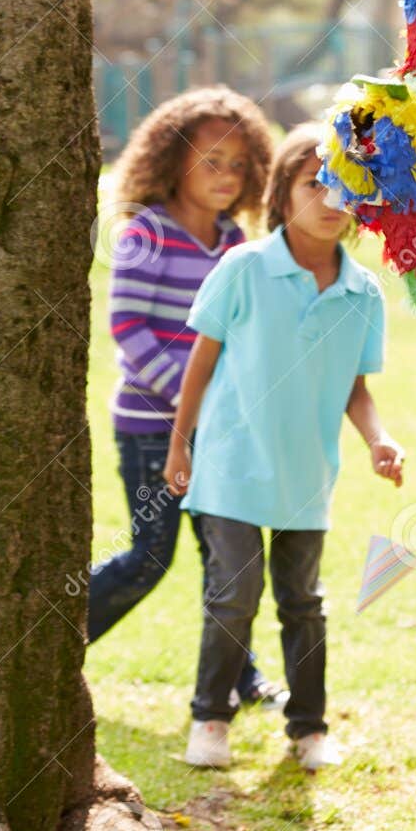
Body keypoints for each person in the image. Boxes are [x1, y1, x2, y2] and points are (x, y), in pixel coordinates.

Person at [165, 124, 403, 771]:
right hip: (232, 465)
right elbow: (200, 363)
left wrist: (379, 440)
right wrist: (179, 445)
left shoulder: (363, 292)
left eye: (349, 187)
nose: (331, 199)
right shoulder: (243, 267)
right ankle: (210, 717)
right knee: (233, 594)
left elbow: (356, 388)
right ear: (282, 192)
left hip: (307, 473)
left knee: (303, 602)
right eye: (315, 183)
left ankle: (309, 727)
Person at [88, 86, 284, 709]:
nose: (225, 177)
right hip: (152, 428)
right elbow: (128, 329)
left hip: (221, 432)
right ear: (173, 162)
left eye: (238, 165)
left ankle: (238, 676)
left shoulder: (233, 243)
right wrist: (190, 397)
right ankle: (52, 644)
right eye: (210, 162)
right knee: (150, 556)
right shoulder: (146, 233)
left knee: (228, 557)